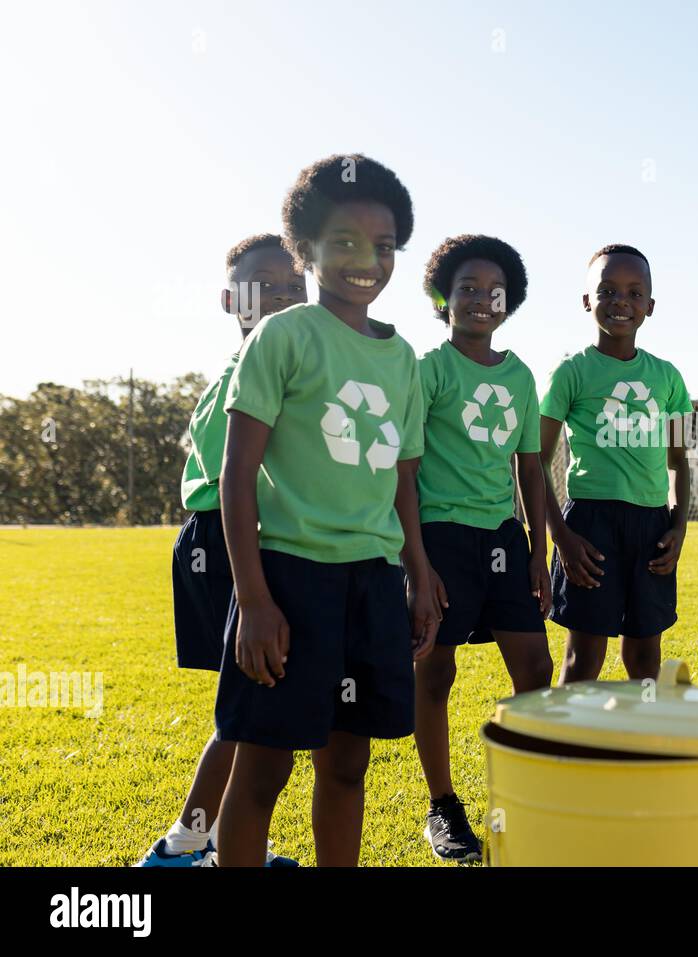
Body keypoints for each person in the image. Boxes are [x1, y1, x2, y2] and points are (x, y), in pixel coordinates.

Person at [213, 154, 440, 866]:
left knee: (347, 766)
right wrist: (253, 598)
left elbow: (403, 481)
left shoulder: (403, 357)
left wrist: (419, 571)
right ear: (306, 249)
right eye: (344, 242)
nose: (364, 259)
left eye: (382, 245)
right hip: (289, 581)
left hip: (370, 583)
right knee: (263, 773)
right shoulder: (282, 338)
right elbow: (237, 474)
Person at [136, 234, 306, 867]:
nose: (285, 298)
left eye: (296, 286)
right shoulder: (246, 371)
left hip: (241, 542)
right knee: (249, 713)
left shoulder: (284, 365)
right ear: (232, 299)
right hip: (224, 542)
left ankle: (220, 846)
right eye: (267, 285)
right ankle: (184, 846)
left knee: (254, 710)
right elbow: (234, 480)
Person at [413, 234, 552, 863]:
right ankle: (443, 807)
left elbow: (531, 470)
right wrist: (416, 563)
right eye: (465, 287)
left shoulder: (522, 375)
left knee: (534, 669)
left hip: (502, 538)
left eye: (492, 290)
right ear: (443, 295)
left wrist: (537, 549)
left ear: (509, 301)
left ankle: (524, 797)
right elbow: (404, 471)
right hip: (440, 537)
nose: (479, 299)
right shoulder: (427, 370)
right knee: (435, 671)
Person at [541, 245, 693, 684]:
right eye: (606, 291)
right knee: (584, 658)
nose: (620, 302)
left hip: (651, 526)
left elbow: (679, 461)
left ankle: (637, 747)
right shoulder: (570, 372)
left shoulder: (668, 377)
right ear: (586, 301)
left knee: (646, 660)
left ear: (650, 305)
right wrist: (562, 537)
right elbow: (533, 460)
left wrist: (678, 527)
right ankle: (571, 751)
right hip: (590, 523)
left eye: (633, 292)